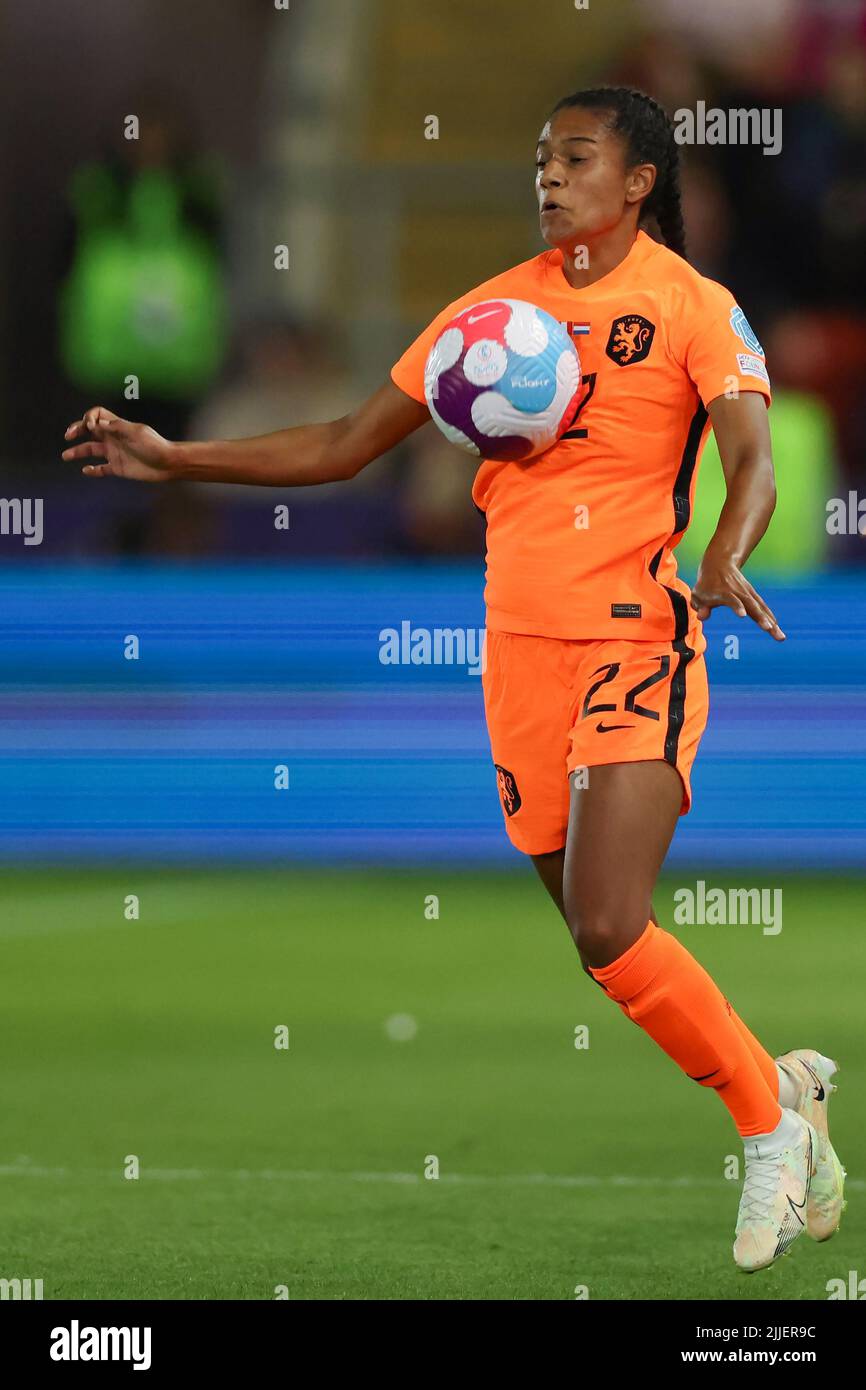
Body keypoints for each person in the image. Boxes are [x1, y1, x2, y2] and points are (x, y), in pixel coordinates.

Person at [62, 86, 844, 1272]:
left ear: (636, 181)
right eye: (540, 157)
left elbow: (749, 451)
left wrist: (726, 548)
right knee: (597, 943)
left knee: (604, 917)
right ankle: (780, 1084)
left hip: (635, 632)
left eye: (576, 158)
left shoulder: (692, 304)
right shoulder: (488, 316)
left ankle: (761, 1131)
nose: (548, 175)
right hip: (516, 646)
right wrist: (178, 457)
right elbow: (340, 441)